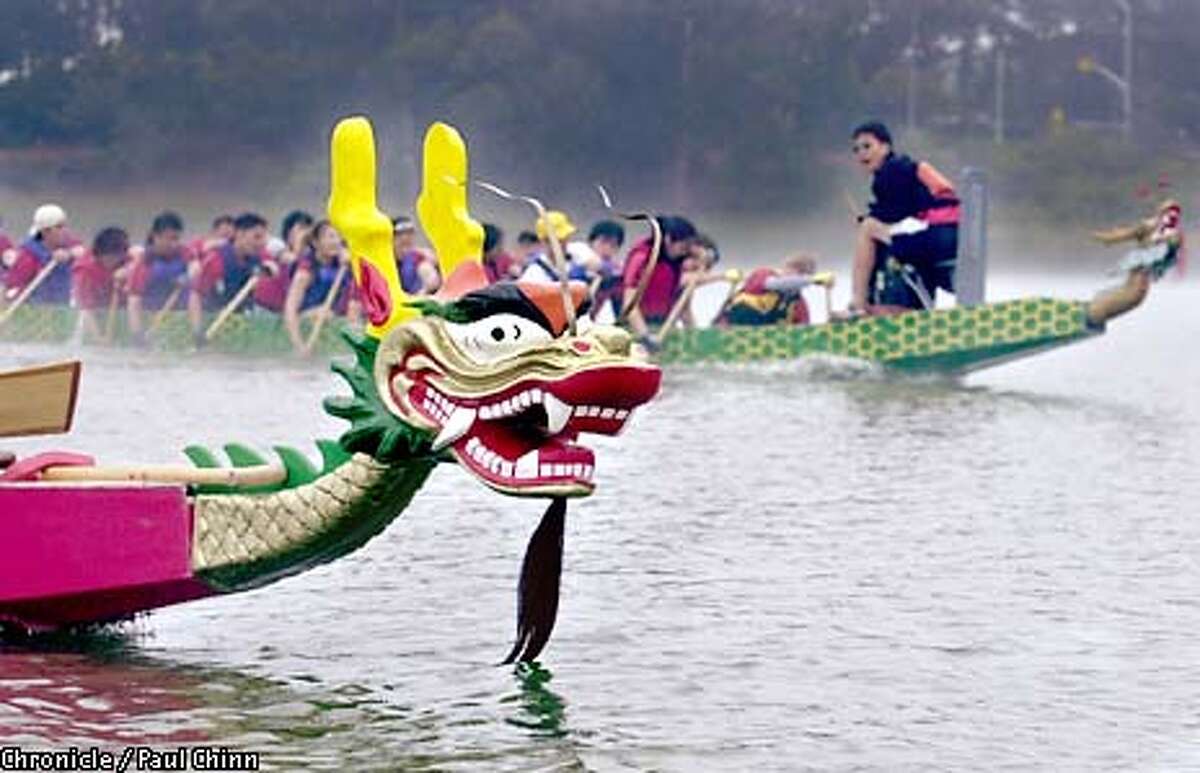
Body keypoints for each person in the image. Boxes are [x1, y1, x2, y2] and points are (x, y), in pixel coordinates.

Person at [847, 121, 959, 313]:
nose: (861, 153)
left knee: (867, 228)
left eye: (867, 146)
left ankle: (859, 302)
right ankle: (889, 305)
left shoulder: (890, 171)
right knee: (873, 228)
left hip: (932, 235)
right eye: (856, 149)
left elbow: (895, 212)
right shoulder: (904, 167)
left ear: (885, 147)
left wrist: (868, 218)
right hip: (943, 234)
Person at [188, 211, 274, 343]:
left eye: (263, 238)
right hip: (214, 321)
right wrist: (197, 330)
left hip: (244, 319)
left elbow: (273, 267)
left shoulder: (259, 256)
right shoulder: (215, 261)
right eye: (256, 237)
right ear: (240, 234)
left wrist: (268, 269)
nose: (261, 243)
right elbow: (195, 296)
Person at [283, 220, 358, 356]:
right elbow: (290, 309)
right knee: (323, 313)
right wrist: (299, 345)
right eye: (330, 237)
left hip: (333, 315)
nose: (335, 242)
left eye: (338, 237)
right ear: (315, 243)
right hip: (306, 317)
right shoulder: (306, 270)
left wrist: (352, 261)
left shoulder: (343, 262)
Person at [620, 215, 697, 346]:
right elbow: (629, 304)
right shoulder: (641, 257)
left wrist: (694, 337)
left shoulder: (676, 262)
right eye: (683, 247)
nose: (685, 252)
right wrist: (645, 337)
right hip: (635, 328)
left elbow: (684, 309)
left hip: (661, 326)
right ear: (668, 239)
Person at [125, 211, 195, 342]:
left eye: (176, 239)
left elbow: (195, 267)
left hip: (181, 316)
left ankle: (195, 333)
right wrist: (137, 334)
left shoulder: (184, 253)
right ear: (155, 237)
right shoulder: (144, 263)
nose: (174, 244)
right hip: (152, 316)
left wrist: (188, 276)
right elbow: (134, 301)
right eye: (169, 238)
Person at [3, 204, 85, 305]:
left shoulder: (67, 240)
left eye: (64, 226)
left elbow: (82, 251)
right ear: (45, 231)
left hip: (63, 305)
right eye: (59, 227)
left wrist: (69, 254)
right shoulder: (28, 255)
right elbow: (11, 286)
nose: (64, 230)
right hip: (36, 307)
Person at [723, 254, 834, 326]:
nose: (797, 279)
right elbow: (777, 284)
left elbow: (803, 328)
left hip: (764, 338)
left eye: (803, 274)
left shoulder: (798, 304)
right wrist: (812, 280)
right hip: (731, 325)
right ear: (785, 268)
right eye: (791, 270)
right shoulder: (763, 274)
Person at [72, 227, 132, 343]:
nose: (112, 262)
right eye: (108, 258)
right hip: (89, 315)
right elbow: (86, 308)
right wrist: (98, 338)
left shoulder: (128, 260)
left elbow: (141, 259)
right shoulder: (84, 269)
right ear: (99, 254)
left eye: (116, 257)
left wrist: (129, 270)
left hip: (118, 312)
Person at [520, 210, 576, 283]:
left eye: (565, 239)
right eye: (559, 241)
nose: (563, 244)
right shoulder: (534, 274)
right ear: (544, 242)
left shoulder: (574, 260)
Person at [392, 216, 441, 295]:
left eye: (409, 233)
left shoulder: (418, 258)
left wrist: (423, 292)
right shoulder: (386, 261)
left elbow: (432, 281)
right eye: (399, 234)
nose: (405, 237)